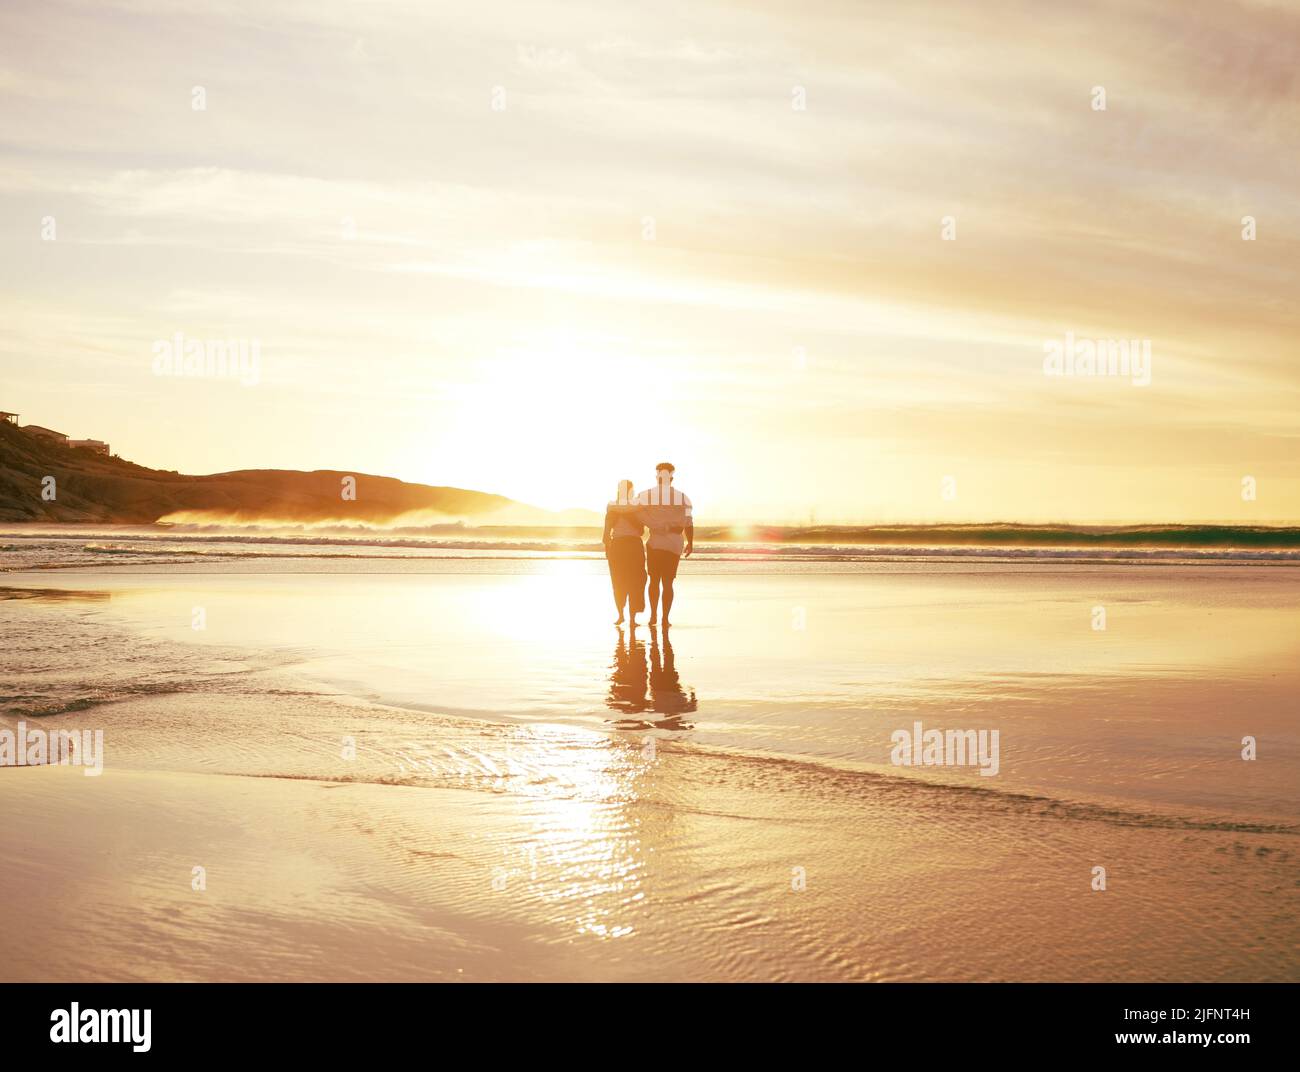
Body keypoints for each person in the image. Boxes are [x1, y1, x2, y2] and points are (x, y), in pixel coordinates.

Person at [635, 462, 693, 627]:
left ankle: (653, 616)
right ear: (671, 478)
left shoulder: (646, 496)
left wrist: (652, 524)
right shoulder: (682, 498)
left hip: (655, 543)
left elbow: (636, 512)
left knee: (654, 581)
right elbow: (688, 522)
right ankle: (664, 619)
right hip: (674, 544)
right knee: (667, 583)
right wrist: (691, 542)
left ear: (657, 477)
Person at [602, 479, 647, 626]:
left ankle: (621, 615)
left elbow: (606, 532)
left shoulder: (612, 506)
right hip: (633, 545)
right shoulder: (636, 506)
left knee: (618, 580)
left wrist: (607, 549)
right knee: (635, 580)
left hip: (618, 545)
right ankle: (632, 619)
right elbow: (641, 530)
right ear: (631, 490)